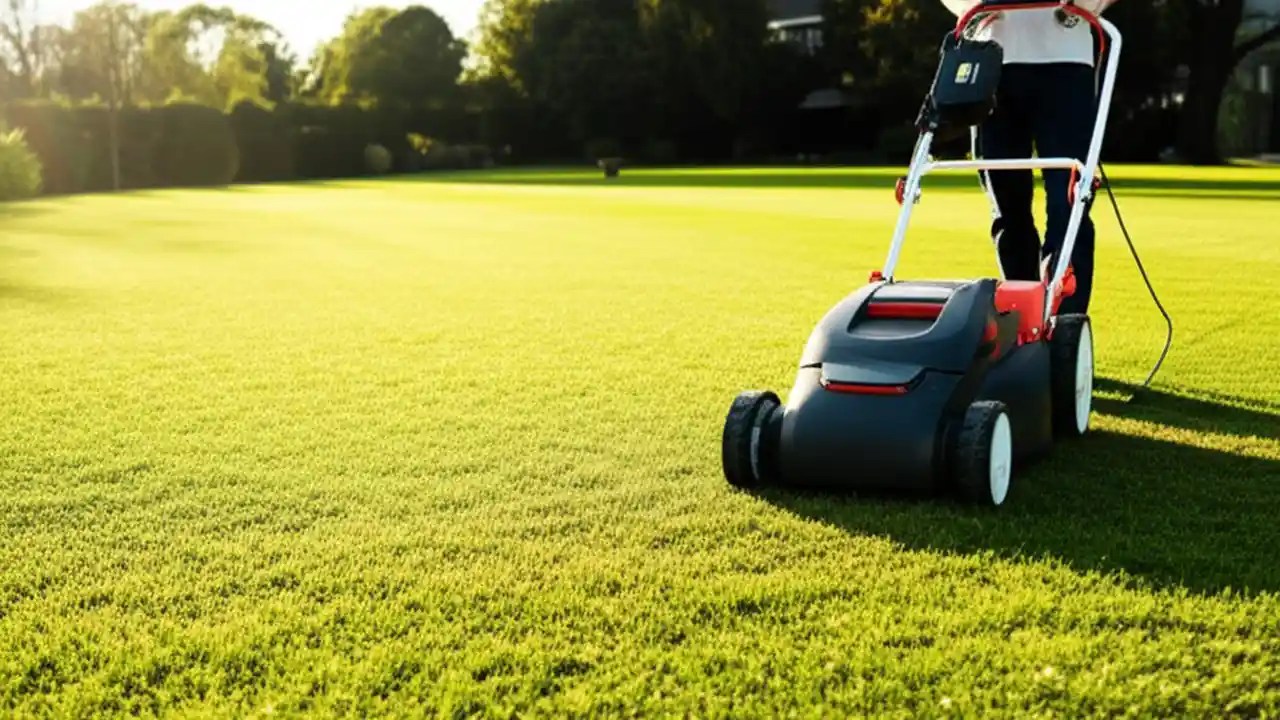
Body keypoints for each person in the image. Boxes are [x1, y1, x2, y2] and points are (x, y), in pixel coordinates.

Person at [940, 0, 1119, 316]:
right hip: (992, 62)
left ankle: (1065, 323)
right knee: (1007, 207)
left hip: (1067, 60)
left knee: (1069, 202)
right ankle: (1024, 316)